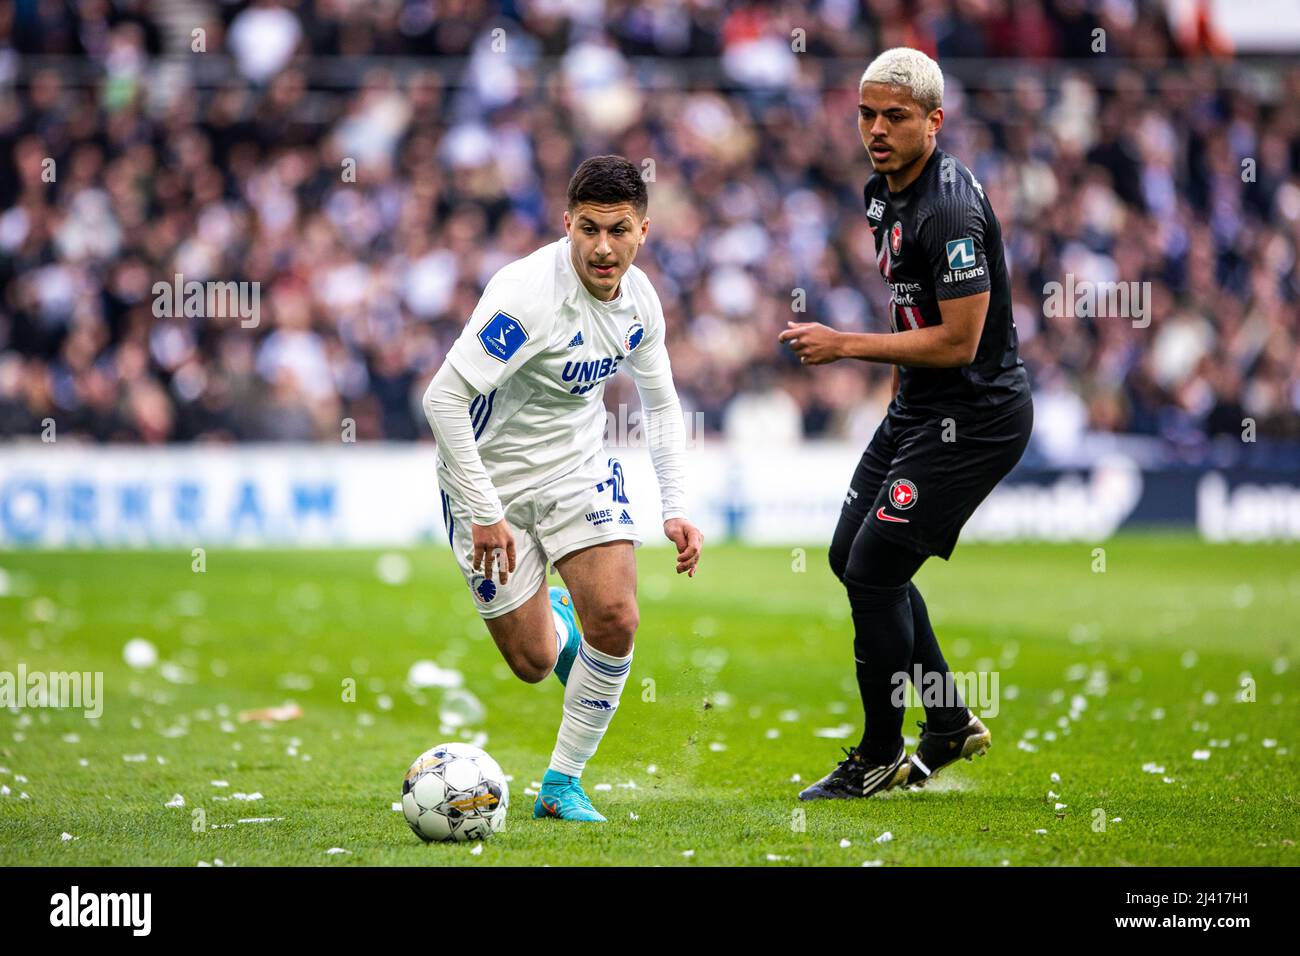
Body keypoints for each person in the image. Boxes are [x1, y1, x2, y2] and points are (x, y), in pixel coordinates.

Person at [780, 48, 1033, 799]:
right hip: (918, 408)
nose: (876, 129)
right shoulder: (882, 193)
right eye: (866, 114)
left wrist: (844, 345)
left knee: (873, 568)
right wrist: (895, 400)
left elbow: (958, 339)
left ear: (934, 121)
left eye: (894, 116)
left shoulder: (949, 205)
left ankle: (881, 753)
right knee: (849, 558)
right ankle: (949, 720)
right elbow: (911, 308)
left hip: (977, 415)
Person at [423, 155, 704, 821]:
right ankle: (554, 621)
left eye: (618, 230)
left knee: (617, 616)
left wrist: (676, 507)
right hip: (489, 481)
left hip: (579, 469)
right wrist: (484, 511)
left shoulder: (640, 302)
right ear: (566, 225)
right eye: (588, 229)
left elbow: (661, 406)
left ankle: (561, 784)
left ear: (644, 231)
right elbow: (442, 399)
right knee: (532, 661)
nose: (603, 247)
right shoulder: (526, 297)